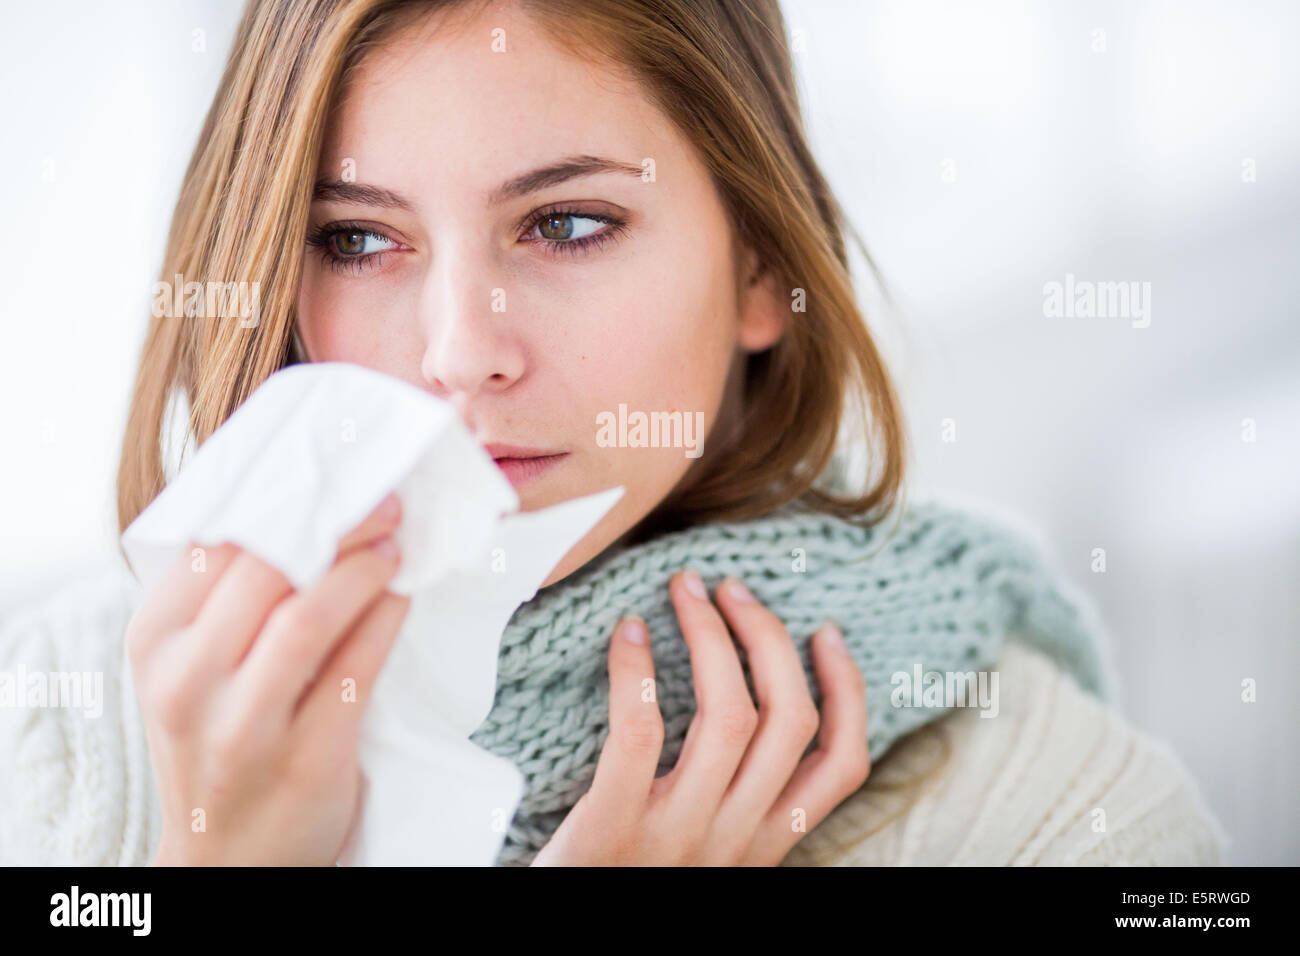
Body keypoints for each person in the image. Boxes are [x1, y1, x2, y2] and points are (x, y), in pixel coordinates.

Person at [0, 0, 1224, 866]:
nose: (458, 350)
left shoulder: (1053, 810)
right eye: (358, 240)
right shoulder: (52, 720)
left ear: (759, 266)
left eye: (568, 224)